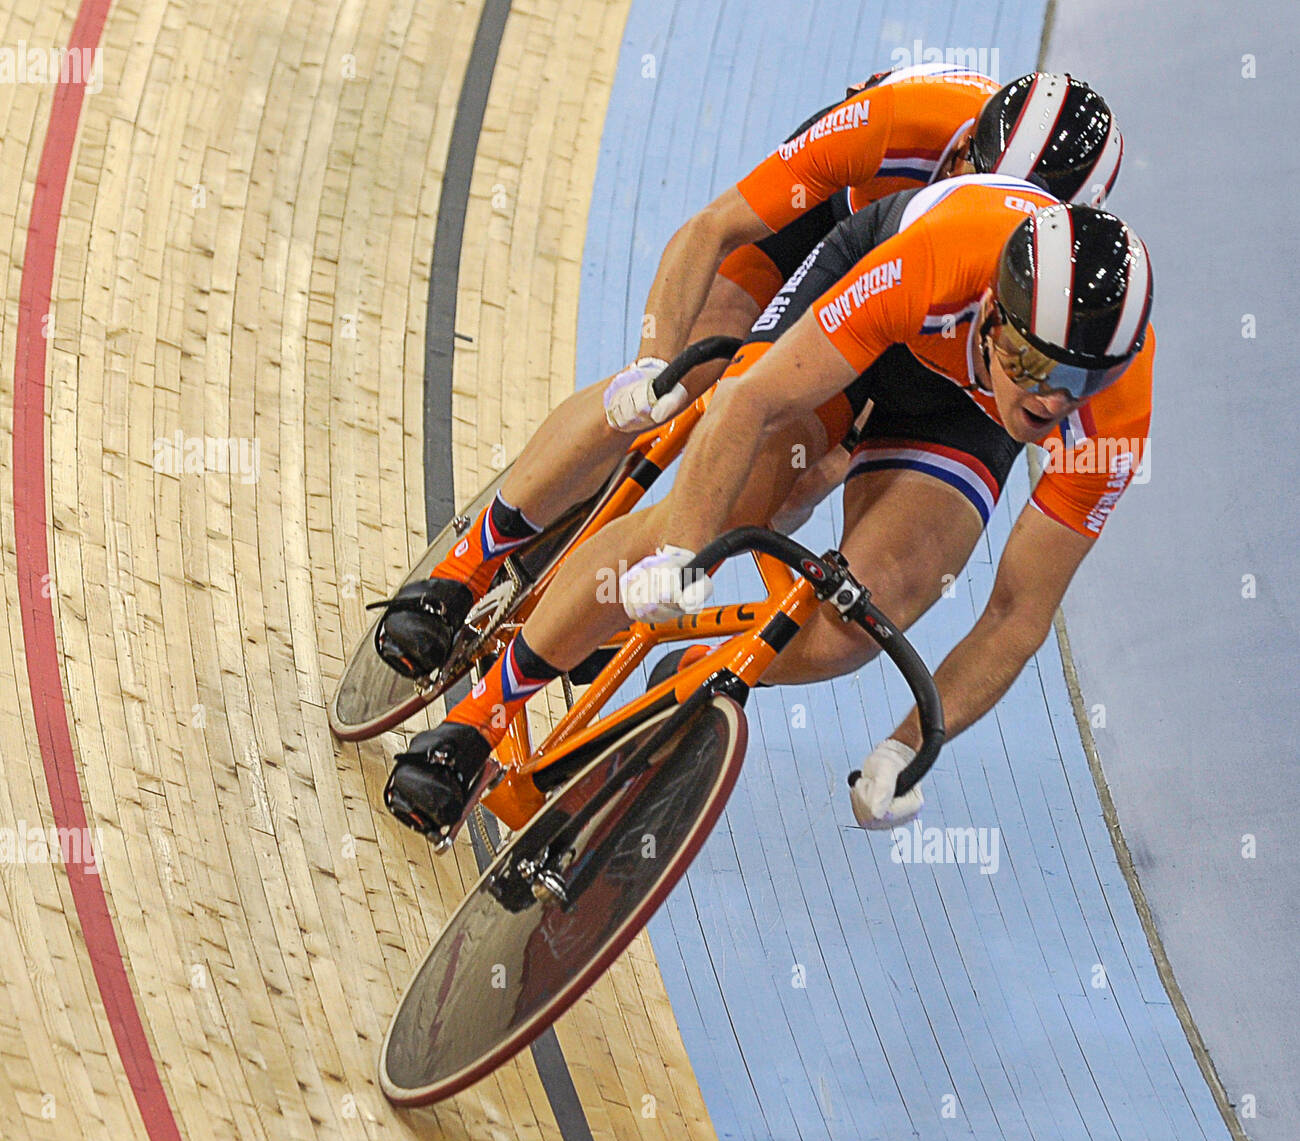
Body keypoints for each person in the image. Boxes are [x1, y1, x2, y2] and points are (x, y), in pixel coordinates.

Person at [382, 176, 1154, 840]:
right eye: (1030, 362)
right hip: (875, 315)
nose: (1049, 397)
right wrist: (682, 552)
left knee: (866, 616)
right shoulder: (936, 259)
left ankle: (687, 680)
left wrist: (908, 747)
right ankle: (482, 714)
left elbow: (1018, 615)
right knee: (701, 514)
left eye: (1077, 382)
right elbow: (747, 404)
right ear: (991, 311)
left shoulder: (1116, 414)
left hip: (958, 416)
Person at [374, 70, 1124, 677]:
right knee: (685, 381)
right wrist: (651, 366)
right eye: (966, 172)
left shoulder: (1048, 313)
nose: (968, 193)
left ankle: (678, 659)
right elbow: (713, 229)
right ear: (961, 142)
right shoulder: (899, 119)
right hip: (833, 232)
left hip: (938, 322)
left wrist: (834, 462)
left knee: (792, 479)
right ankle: (465, 567)